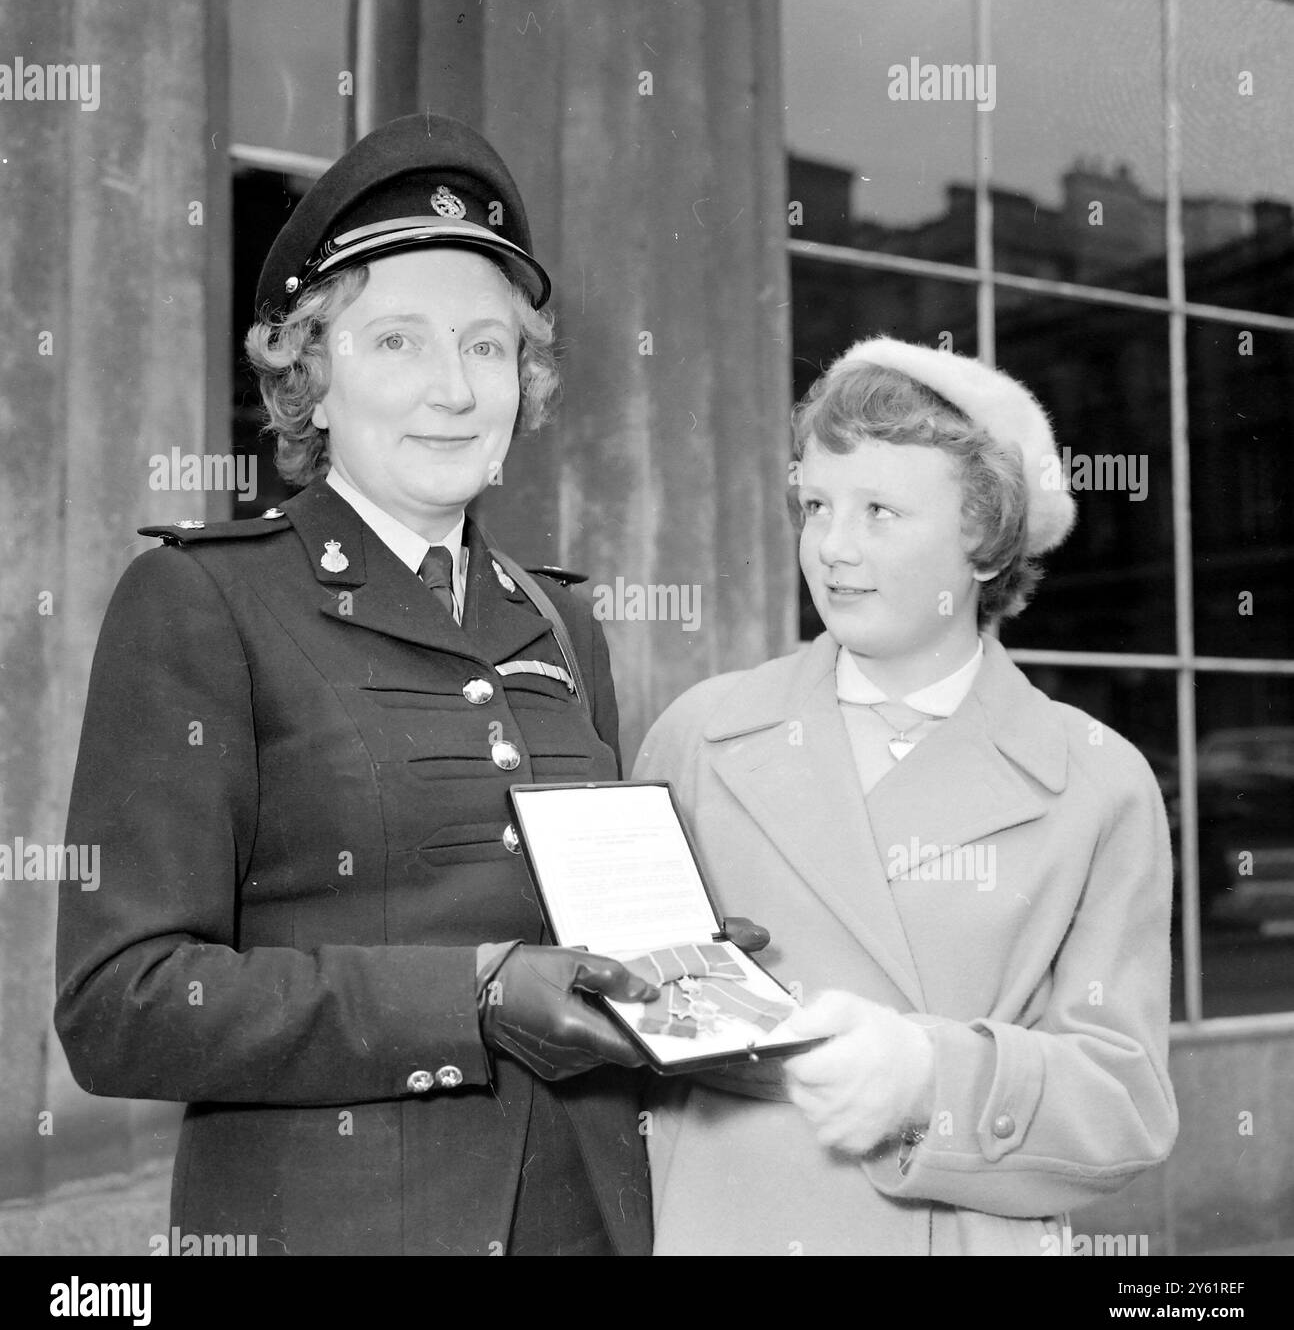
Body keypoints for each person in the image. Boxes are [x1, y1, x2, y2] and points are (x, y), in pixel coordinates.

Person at [54, 113, 663, 1257]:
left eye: (487, 347)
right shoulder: (202, 603)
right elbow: (121, 1006)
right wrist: (472, 998)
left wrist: (670, 969)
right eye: (397, 343)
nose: (452, 386)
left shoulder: (564, 622)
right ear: (311, 375)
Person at [634, 337, 1179, 1255]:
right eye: (816, 505)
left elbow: (1125, 1106)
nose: (833, 548)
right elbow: (628, 1009)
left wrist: (929, 1078)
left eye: (881, 510)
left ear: (985, 539)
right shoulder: (700, 735)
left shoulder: (1098, 781)